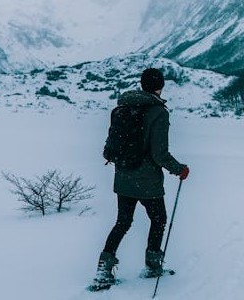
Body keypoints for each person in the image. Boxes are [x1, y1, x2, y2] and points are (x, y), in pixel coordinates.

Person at [89, 68, 190, 291]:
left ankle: (103, 270)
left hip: (124, 177)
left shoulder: (123, 108)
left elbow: (109, 149)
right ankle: (153, 265)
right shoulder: (158, 113)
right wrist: (179, 169)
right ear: (159, 86)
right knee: (159, 219)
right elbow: (159, 154)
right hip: (147, 181)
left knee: (122, 222)